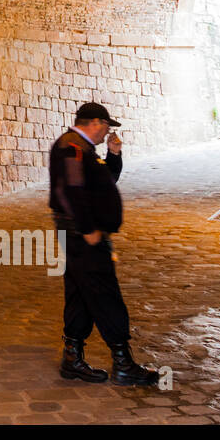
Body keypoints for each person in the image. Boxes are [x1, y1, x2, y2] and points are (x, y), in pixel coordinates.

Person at [49, 102, 158, 386]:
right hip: (82, 235)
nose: (107, 132)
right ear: (95, 122)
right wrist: (88, 230)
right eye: (106, 126)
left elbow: (105, 181)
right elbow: (71, 192)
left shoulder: (83, 148)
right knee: (105, 294)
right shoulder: (71, 148)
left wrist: (114, 154)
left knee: (80, 293)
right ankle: (123, 363)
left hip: (78, 234)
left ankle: (72, 358)